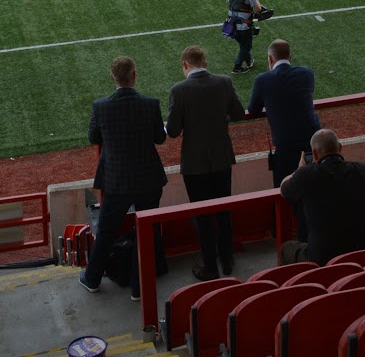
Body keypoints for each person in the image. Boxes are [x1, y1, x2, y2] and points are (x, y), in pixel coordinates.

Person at [79, 57, 167, 297]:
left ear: (112, 77)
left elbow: (93, 137)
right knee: (146, 232)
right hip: (148, 180)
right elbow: (160, 137)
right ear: (134, 76)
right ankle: (139, 288)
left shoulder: (101, 107)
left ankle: (92, 278)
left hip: (117, 182)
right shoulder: (150, 104)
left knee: (106, 231)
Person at [165, 45, 245, 280]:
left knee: (201, 214)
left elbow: (172, 131)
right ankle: (227, 260)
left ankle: (210, 266)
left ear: (185, 65)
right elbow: (239, 114)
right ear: (205, 63)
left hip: (194, 163)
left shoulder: (179, 90)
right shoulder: (224, 82)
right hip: (221, 157)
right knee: (223, 211)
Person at [278, 129, 365, 266]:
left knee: (285, 249)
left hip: (323, 260)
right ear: (339, 148)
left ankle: (294, 286)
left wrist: (298, 171)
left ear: (314, 153)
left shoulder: (306, 175)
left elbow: (283, 190)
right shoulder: (363, 170)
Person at [247, 40, 320, 199]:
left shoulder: (263, 80)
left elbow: (253, 110)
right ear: (290, 56)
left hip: (285, 146)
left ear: (270, 59)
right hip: (312, 142)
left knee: (284, 191)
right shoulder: (306, 73)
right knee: (313, 191)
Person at [226, 0, 265, 73]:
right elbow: (259, 8)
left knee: (243, 44)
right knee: (246, 46)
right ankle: (237, 66)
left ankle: (249, 61)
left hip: (231, 26)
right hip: (244, 26)